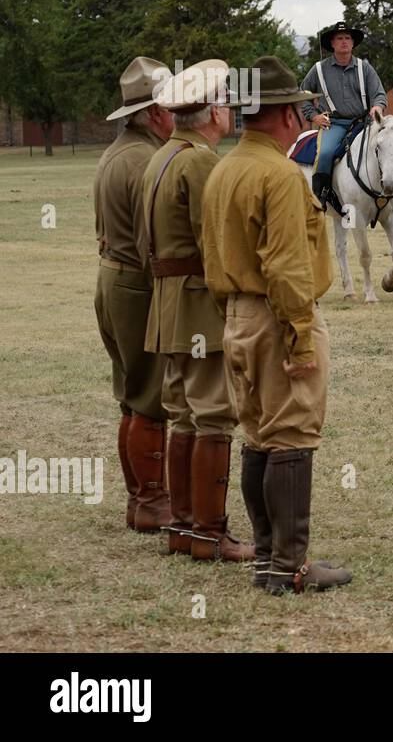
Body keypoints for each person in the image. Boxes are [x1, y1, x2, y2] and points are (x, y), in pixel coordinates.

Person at [202, 56, 352, 595]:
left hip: (237, 317)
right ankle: (289, 566)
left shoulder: (223, 168)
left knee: (260, 435)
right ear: (287, 113)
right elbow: (287, 266)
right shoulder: (281, 174)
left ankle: (269, 560)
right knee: (290, 434)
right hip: (275, 316)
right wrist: (299, 337)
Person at [140, 59, 253, 562]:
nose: (229, 110)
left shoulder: (161, 156)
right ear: (210, 112)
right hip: (197, 305)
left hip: (167, 306)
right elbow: (217, 246)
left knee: (184, 416)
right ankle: (209, 534)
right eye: (225, 102)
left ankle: (184, 530)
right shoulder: (201, 162)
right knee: (214, 416)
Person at [94, 57, 175, 533]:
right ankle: (150, 502)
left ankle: (141, 499)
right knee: (148, 397)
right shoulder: (144, 160)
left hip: (112, 279)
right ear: (154, 112)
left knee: (132, 395)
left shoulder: (118, 152)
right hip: (135, 284)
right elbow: (155, 243)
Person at [300, 21, 393, 219]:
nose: (344, 42)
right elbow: (303, 96)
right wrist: (314, 116)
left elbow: (379, 94)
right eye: (340, 39)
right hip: (334, 124)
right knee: (325, 153)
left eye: (347, 38)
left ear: (352, 43)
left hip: (364, 123)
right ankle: (320, 197)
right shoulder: (318, 70)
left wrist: (377, 106)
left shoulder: (364, 69)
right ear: (332, 44)